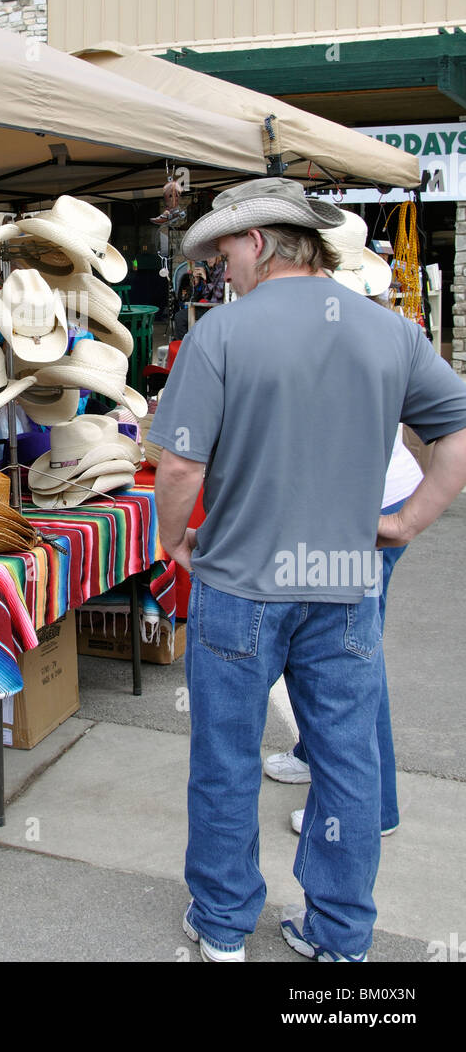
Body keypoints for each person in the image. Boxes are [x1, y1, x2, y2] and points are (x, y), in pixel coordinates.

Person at [151, 177, 466, 964]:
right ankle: (339, 936)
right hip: (344, 579)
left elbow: (179, 468)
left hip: (237, 582)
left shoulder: (221, 335)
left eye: (224, 250)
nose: (221, 268)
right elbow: (457, 433)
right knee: (346, 761)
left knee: (224, 757)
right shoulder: (387, 331)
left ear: (257, 242)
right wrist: (404, 523)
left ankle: (222, 925)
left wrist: (173, 540)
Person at [265, 211, 422, 840]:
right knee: (337, 650)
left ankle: (370, 805)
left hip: (363, 509)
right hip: (377, 497)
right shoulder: (371, 324)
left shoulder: (339, 329)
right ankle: (318, 757)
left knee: (349, 660)